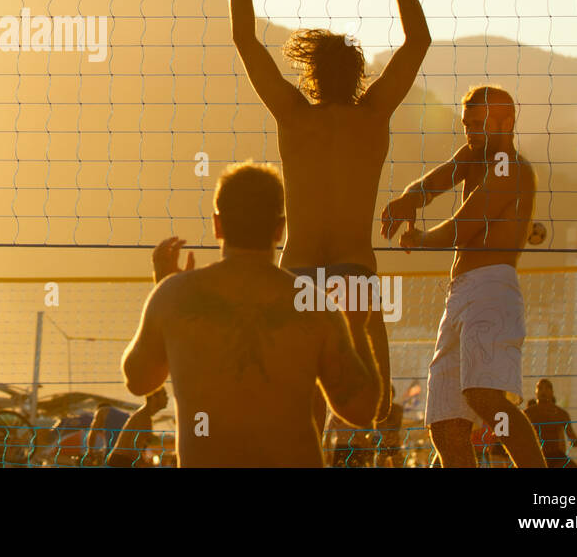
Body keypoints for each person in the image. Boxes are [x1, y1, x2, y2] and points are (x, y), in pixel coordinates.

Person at [211, 0, 429, 426]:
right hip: (354, 275)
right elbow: (418, 41)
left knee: (298, 410)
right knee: (371, 408)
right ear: (357, 75)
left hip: (299, 274)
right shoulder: (373, 115)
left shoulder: (292, 115)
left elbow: (244, 38)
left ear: (309, 75)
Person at [122, 161, 382, 466]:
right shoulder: (314, 305)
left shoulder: (174, 296)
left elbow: (139, 381)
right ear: (279, 228)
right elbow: (361, 410)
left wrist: (163, 293)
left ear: (218, 224)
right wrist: (356, 326)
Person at [386, 85, 546, 468]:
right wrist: (407, 199)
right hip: (459, 294)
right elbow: (433, 183)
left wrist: (420, 239)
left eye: (479, 124)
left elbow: (464, 225)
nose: (471, 132)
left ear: (507, 123)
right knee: (443, 422)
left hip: (492, 290)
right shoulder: (473, 155)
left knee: (486, 399)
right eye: (466, 124)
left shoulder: (512, 168)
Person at [524, 379, 577, 468]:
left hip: (555, 458)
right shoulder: (528, 413)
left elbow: (573, 440)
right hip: (535, 456)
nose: (543, 391)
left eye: (547, 388)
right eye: (540, 388)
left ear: (552, 392)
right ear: (536, 392)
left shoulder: (561, 414)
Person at [106, 389, 168, 468]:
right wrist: (145, 464)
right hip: (122, 461)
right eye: (164, 395)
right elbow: (134, 448)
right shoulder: (144, 417)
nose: (167, 398)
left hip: (120, 460)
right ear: (153, 397)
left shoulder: (145, 416)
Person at [375, 384, 405, 467]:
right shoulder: (378, 409)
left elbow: (395, 424)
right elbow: (379, 426)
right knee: (380, 462)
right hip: (382, 441)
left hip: (393, 441)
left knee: (397, 463)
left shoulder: (397, 409)